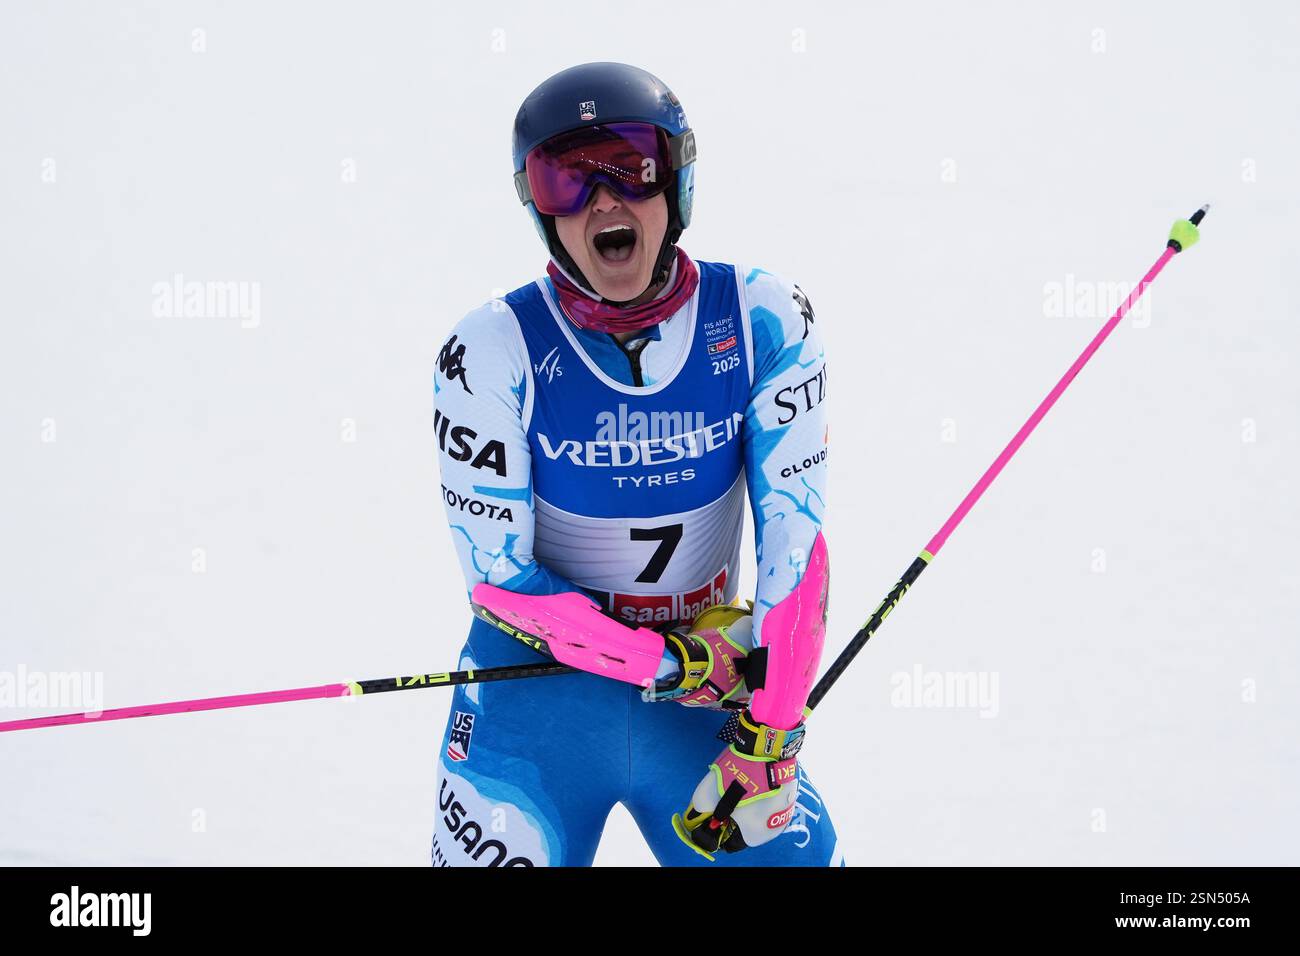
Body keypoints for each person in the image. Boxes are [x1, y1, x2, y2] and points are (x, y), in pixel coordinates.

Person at [431, 62, 839, 866]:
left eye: (631, 169)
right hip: (537, 706)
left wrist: (777, 723)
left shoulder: (762, 319)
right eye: (566, 181)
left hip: (705, 701)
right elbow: (501, 584)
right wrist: (674, 663)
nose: (604, 202)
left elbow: (797, 538)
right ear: (537, 207)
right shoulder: (487, 351)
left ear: (677, 184)